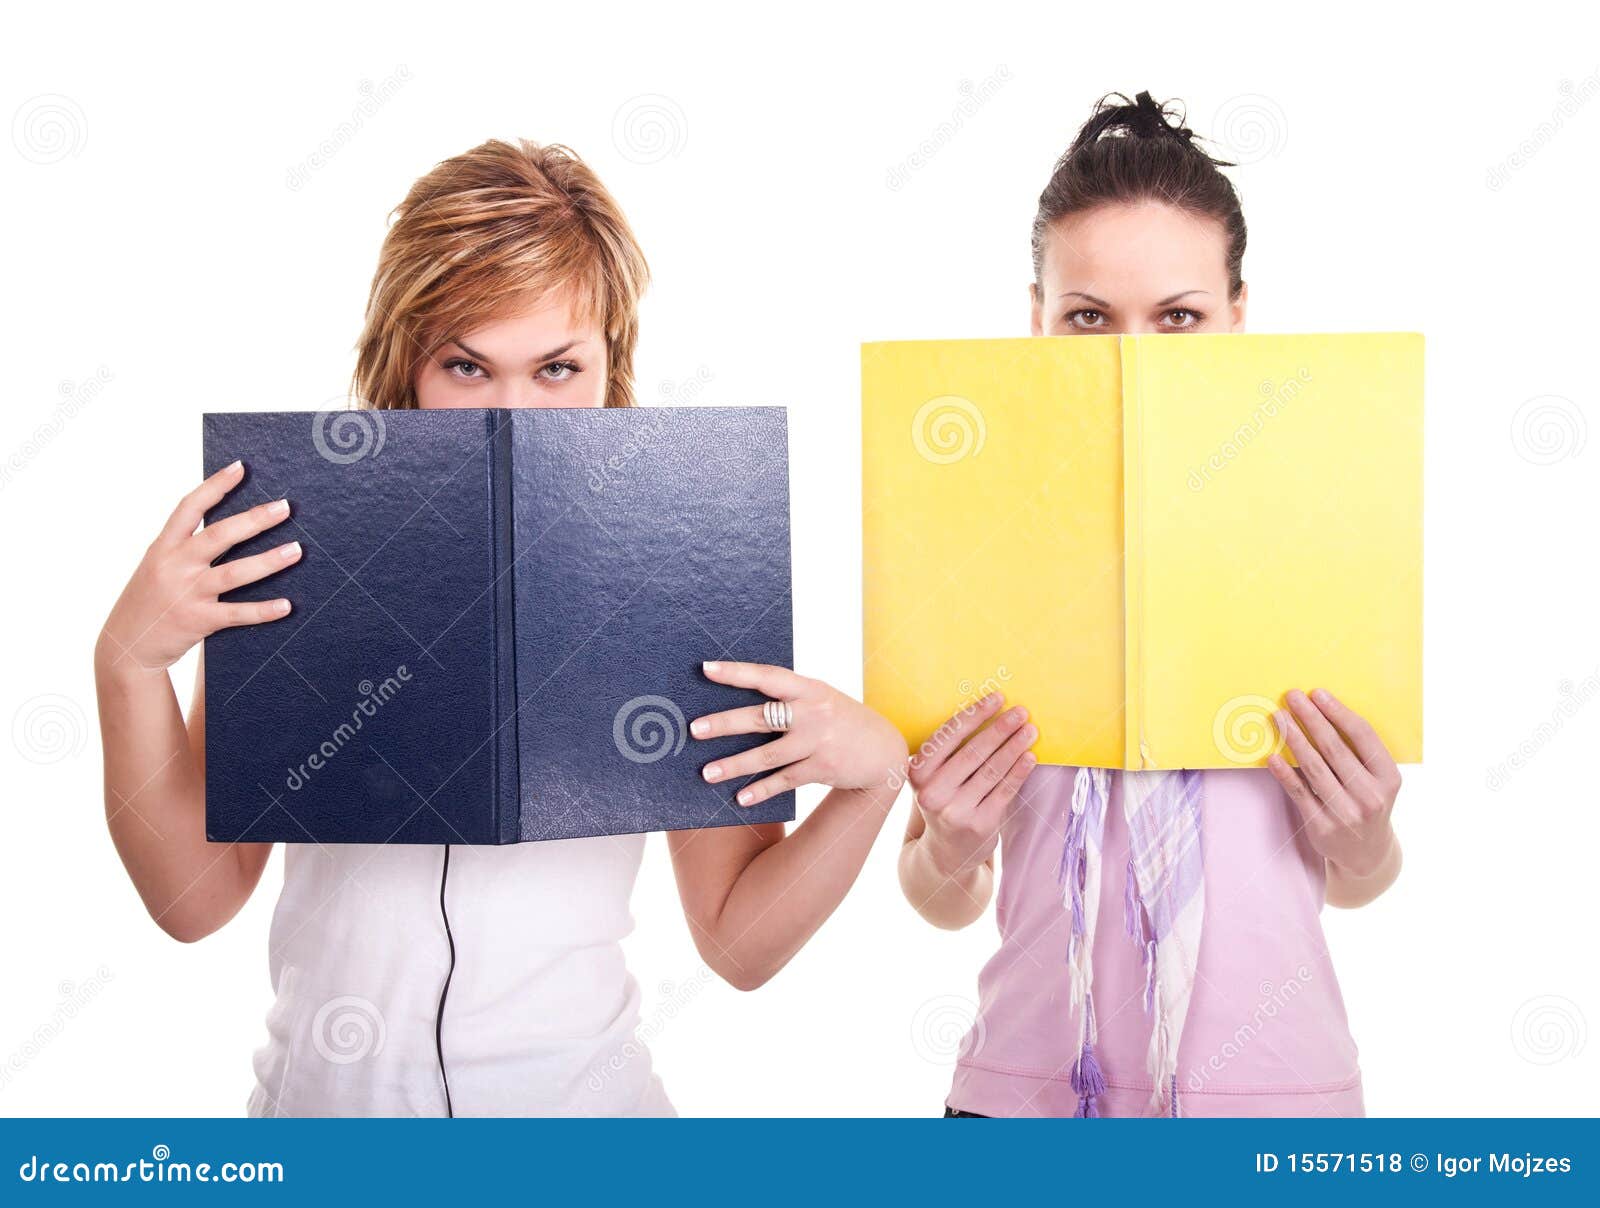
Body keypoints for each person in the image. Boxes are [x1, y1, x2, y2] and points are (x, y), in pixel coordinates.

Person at [94, 138, 907, 1117]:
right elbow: (193, 899)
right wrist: (128, 662)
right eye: (467, 365)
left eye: (557, 366)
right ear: (405, 363)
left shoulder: (677, 550)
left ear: (613, 368)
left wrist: (871, 785)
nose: (514, 409)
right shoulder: (294, 537)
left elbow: (737, 941)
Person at [898, 93, 1403, 1118]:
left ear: (1236, 316)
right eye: (1089, 317)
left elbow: (1357, 877)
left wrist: (1363, 832)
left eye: (1177, 316)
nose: (1132, 354)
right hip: (1019, 1102)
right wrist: (948, 843)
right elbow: (939, 896)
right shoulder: (973, 541)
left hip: (1274, 1103)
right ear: (1037, 321)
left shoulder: (1321, 525)